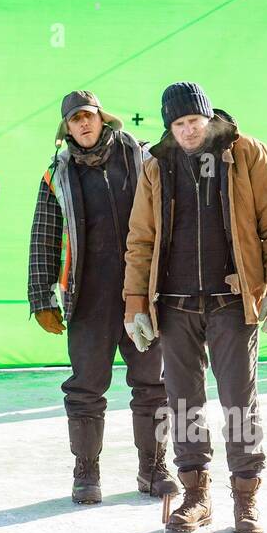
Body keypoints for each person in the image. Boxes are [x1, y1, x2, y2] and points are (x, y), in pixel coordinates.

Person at [123, 82, 267, 533]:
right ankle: (196, 496)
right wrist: (135, 303)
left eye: (193, 122)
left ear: (208, 117)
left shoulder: (247, 153)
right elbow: (140, 238)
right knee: (183, 403)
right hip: (175, 304)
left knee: (239, 401)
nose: (187, 132)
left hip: (232, 302)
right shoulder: (156, 165)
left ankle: (246, 498)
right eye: (178, 125)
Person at [27, 90, 174, 504]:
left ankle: (154, 468)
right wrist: (41, 297)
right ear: (67, 129)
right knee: (86, 388)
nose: (84, 124)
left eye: (88, 116)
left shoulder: (143, 159)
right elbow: (43, 238)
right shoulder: (56, 174)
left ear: (103, 119)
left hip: (143, 296)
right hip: (88, 298)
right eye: (75, 120)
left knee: (152, 384)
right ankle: (86, 473)